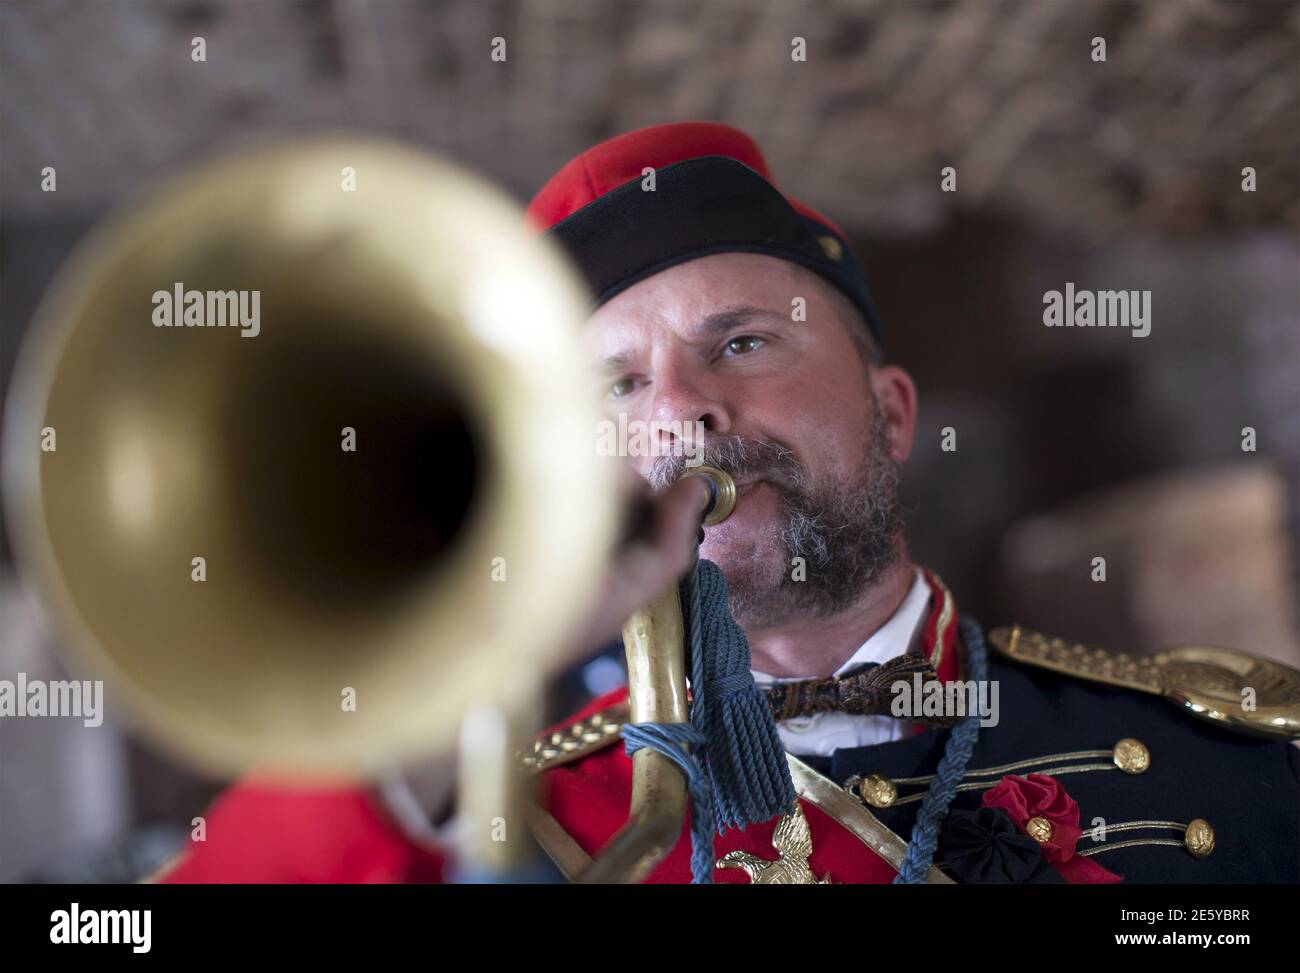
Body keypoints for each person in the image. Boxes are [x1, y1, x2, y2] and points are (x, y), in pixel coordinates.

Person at [159, 121, 1300, 884]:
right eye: (615, 385)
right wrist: (474, 656)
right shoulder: (501, 819)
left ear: (891, 414)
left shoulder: (1236, 753)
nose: (681, 415)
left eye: (742, 342)